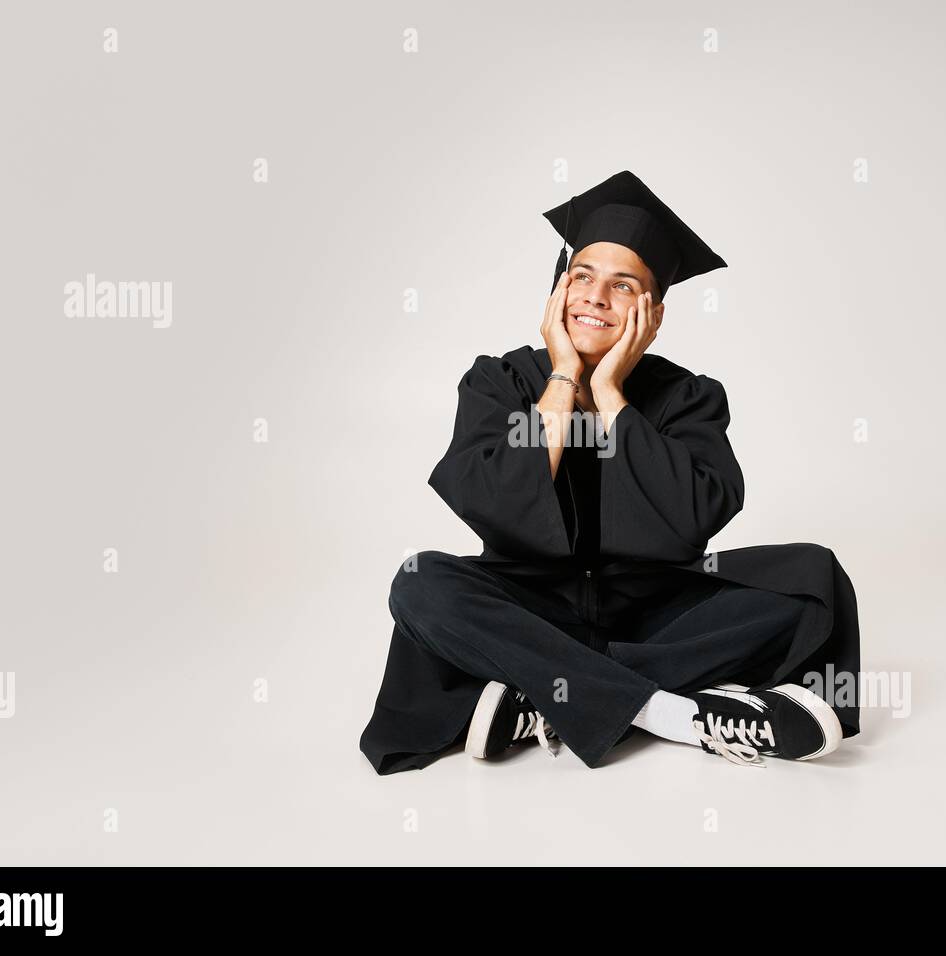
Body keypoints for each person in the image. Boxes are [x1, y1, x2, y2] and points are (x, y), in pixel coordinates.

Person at [360, 170, 861, 773]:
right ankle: (673, 715)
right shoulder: (501, 380)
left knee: (812, 578)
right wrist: (566, 379)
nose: (595, 297)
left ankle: (540, 694)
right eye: (582, 276)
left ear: (652, 311)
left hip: (650, 615)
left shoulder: (688, 397)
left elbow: (692, 519)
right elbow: (490, 500)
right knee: (422, 583)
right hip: (527, 610)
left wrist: (611, 391)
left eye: (623, 285)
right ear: (556, 291)